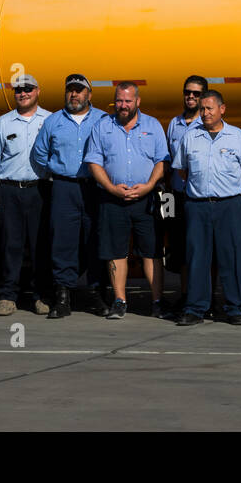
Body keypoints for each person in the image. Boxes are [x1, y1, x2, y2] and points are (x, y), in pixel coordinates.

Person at [171, 90, 241, 325]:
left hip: (229, 205)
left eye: (210, 108)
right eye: (202, 109)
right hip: (198, 206)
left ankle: (236, 307)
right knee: (198, 257)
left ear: (222, 109)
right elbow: (182, 170)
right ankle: (196, 308)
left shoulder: (237, 137)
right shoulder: (190, 136)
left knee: (233, 258)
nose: (205, 113)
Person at [84, 82, 168, 320]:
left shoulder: (153, 126)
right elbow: (94, 162)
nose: (123, 105)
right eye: (119, 100)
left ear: (137, 102)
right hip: (112, 199)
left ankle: (157, 301)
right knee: (116, 251)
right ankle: (120, 301)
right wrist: (111, 188)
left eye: (128, 101)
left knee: (151, 252)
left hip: (146, 199)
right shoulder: (103, 126)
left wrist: (150, 186)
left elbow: (161, 161)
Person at [30, 74, 106, 319]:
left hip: (94, 187)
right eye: (70, 90)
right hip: (64, 188)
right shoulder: (53, 121)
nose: (74, 95)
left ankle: (97, 293)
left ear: (89, 95)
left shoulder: (103, 119)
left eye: (79, 90)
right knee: (63, 242)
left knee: (95, 239)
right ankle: (63, 297)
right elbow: (39, 154)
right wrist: (56, 171)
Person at [0, 75, 52, 316]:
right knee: (10, 245)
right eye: (19, 90)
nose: (23, 94)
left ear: (37, 91)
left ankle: (41, 296)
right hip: (10, 190)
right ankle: (7, 297)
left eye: (28, 89)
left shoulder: (50, 120)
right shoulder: (4, 122)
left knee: (40, 245)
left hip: (40, 190)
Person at [162, 74, 208, 311]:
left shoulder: (210, 124)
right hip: (178, 197)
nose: (190, 97)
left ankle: (207, 297)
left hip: (201, 198)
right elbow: (169, 164)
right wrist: (167, 201)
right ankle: (185, 294)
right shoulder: (174, 124)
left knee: (203, 248)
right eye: (187, 92)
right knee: (181, 248)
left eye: (196, 93)